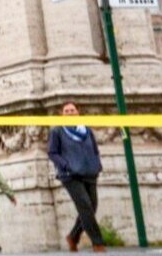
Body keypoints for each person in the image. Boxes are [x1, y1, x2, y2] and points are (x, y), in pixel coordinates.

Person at [48, 101, 105, 253]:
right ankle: (98, 243)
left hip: (89, 172)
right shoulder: (57, 131)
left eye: (72, 110)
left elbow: (94, 148)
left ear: (78, 112)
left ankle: (73, 236)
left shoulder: (86, 130)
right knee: (85, 206)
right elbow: (52, 152)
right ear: (62, 114)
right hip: (70, 175)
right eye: (66, 111)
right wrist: (66, 165)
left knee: (92, 207)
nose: (70, 113)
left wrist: (97, 163)